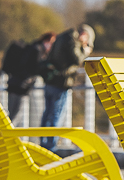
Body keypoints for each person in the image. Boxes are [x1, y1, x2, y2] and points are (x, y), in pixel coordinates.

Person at [38, 23, 95, 151]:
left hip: (50, 82)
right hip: (61, 84)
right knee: (56, 115)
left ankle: (43, 143)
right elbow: (77, 59)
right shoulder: (72, 39)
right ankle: (50, 147)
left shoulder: (61, 37)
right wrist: (85, 51)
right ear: (84, 35)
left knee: (47, 113)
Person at [1, 31, 54, 121]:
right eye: (51, 42)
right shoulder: (37, 50)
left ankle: (7, 133)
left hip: (15, 83)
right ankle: (7, 134)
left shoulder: (33, 48)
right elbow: (35, 68)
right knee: (15, 115)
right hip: (20, 86)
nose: (51, 45)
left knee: (13, 113)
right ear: (46, 40)